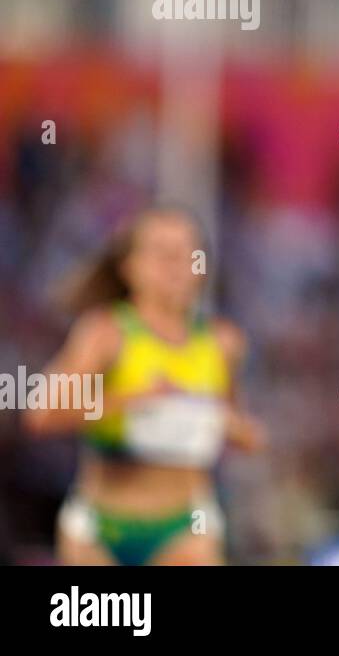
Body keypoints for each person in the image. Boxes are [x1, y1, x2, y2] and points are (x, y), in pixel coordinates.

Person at [24, 206, 264, 565]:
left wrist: (215, 419)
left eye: (186, 255)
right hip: (100, 528)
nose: (175, 266)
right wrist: (129, 400)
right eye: (161, 254)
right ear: (129, 266)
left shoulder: (222, 342)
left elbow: (246, 434)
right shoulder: (104, 334)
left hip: (184, 527)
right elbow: (41, 415)